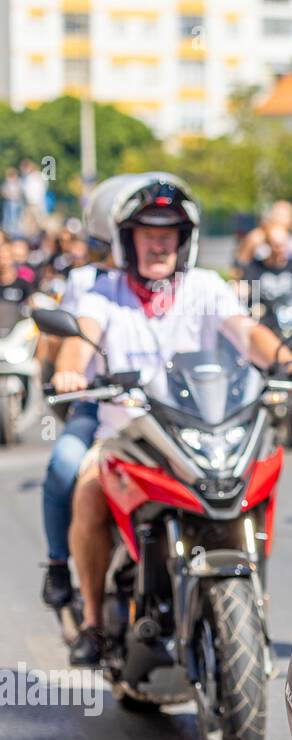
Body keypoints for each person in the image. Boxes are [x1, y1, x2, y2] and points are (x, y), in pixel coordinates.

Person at [50, 175, 292, 666]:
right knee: (88, 486)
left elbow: (245, 332)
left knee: (251, 485)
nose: (159, 243)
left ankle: (250, 606)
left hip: (199, 431)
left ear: (184, 241)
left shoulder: (205, 287)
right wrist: (71, 369)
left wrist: (286, 360)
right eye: (147, 232)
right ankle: (93, 622)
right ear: (127, 239)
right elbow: (82, 336)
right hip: (128, 435)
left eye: (169, 233)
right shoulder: (104, 291)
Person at [39, 174, 137, 608]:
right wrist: (66, 369)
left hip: (164, 410)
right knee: (64, 466)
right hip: (98, 405)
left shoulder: (182, 283)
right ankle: (59, 563)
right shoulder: (87, 283)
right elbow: (66, 344)